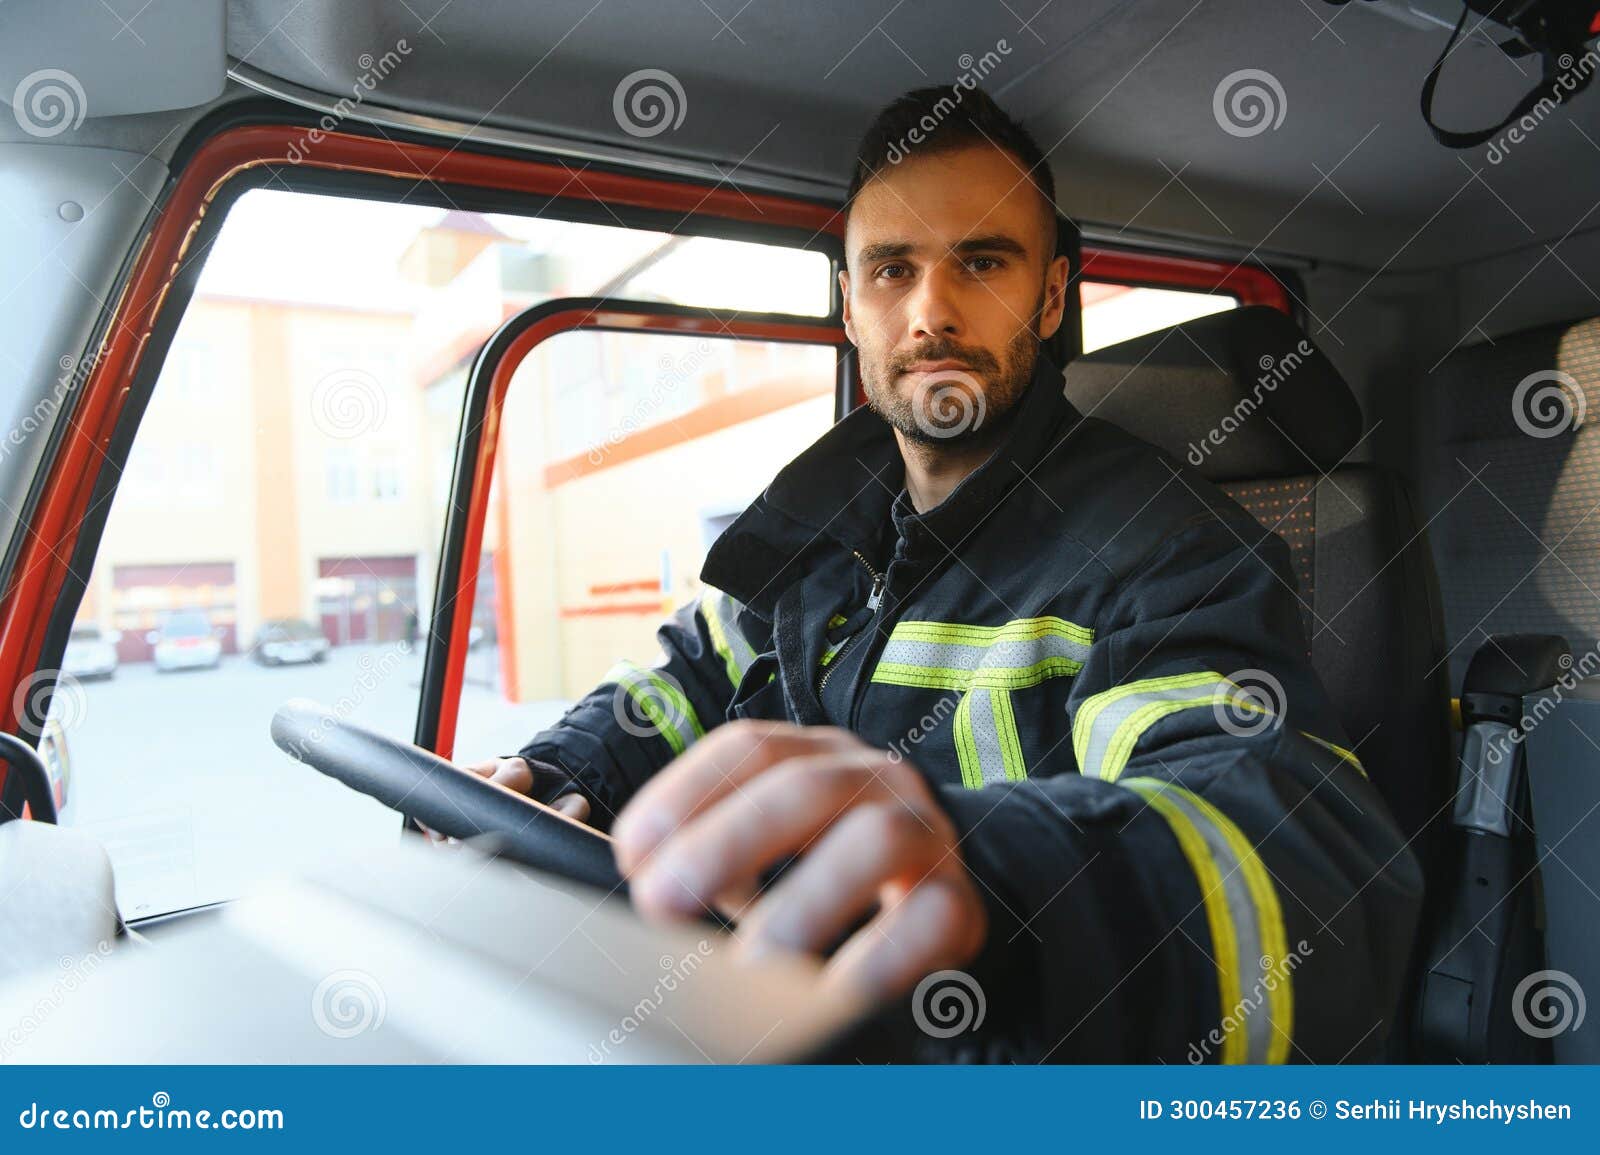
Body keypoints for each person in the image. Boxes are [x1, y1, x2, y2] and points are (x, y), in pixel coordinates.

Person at [461, 86, 1422, 1062]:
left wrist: (1000, 885)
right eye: (891, 269)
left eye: (982, 261)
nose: (930, 311)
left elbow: (1298, 863)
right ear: (850, 306)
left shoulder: (1159, 548)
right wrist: (563, 769)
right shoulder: (814, 528)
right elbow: (694, 679)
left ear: (1048, 298)